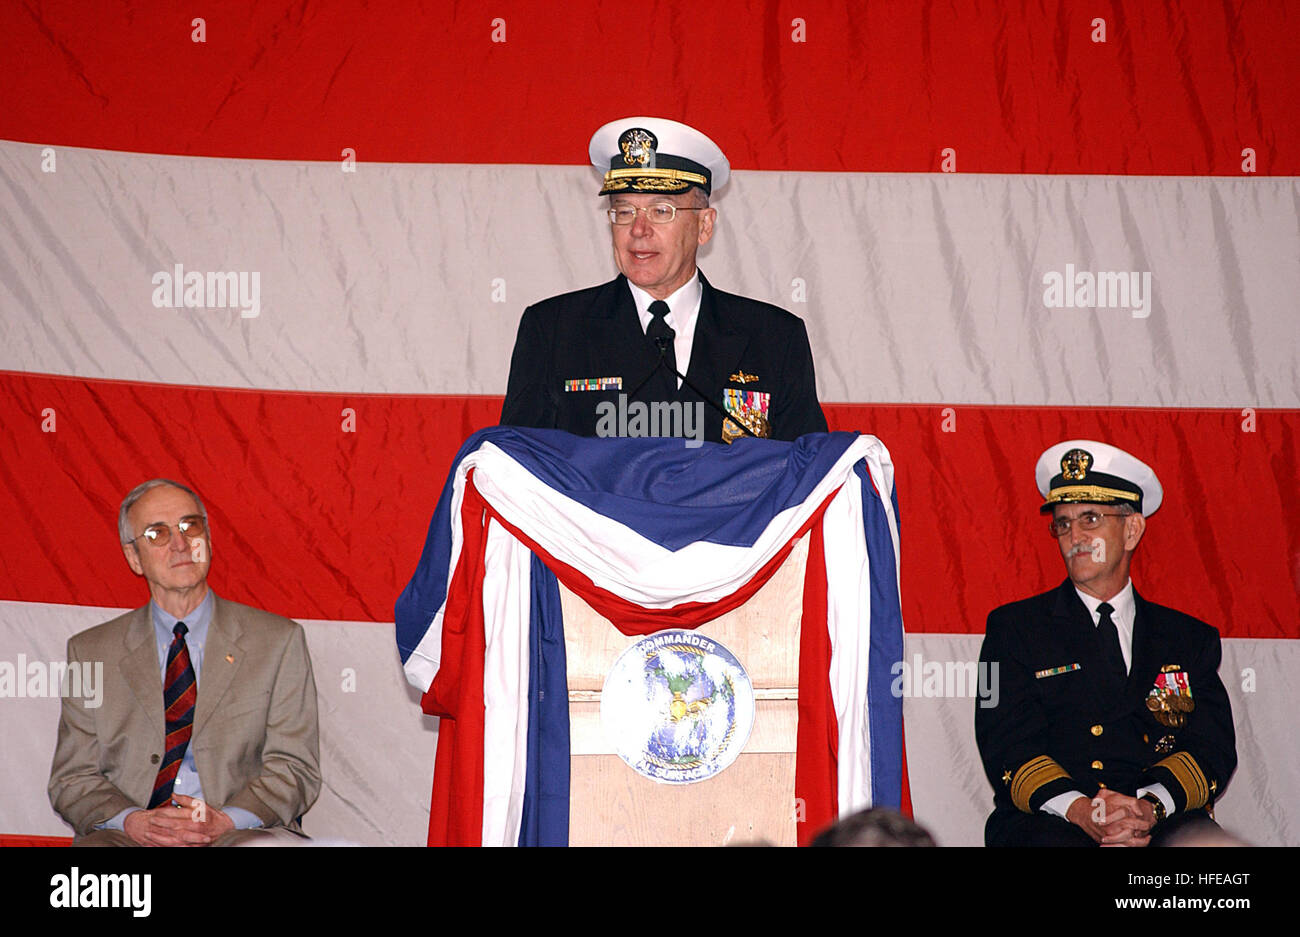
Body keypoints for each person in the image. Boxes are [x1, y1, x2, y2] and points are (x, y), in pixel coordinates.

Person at [500, 116, 828, 444]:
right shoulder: (554, 330)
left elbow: (810, 471)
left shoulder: (773, 337)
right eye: (624, 211)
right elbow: (517, 466)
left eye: (661, 211)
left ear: (704, 226)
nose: (639, 230)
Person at [975, 441, 1236, 846]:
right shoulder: (1014, 629)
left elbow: (1212, 746)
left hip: (1158, 820)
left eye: (1090, 519)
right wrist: (1084, 811)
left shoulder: (1187, 639)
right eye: (1063, 524)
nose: (1074, 536)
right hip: (1055, 821)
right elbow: (1005, 742)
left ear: (1132, 529)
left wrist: (1149, 808)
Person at [48, 479, 321, 845]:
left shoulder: (278, 642)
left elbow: (295, 769)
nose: (179, 543)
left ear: (207, 539)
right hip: (130, 837)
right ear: (133, 557)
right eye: (156, 533)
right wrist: (132, 822)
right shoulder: (90, 652)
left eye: (189, 526)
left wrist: (225, 820)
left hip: (239, 831)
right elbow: (72, 779)